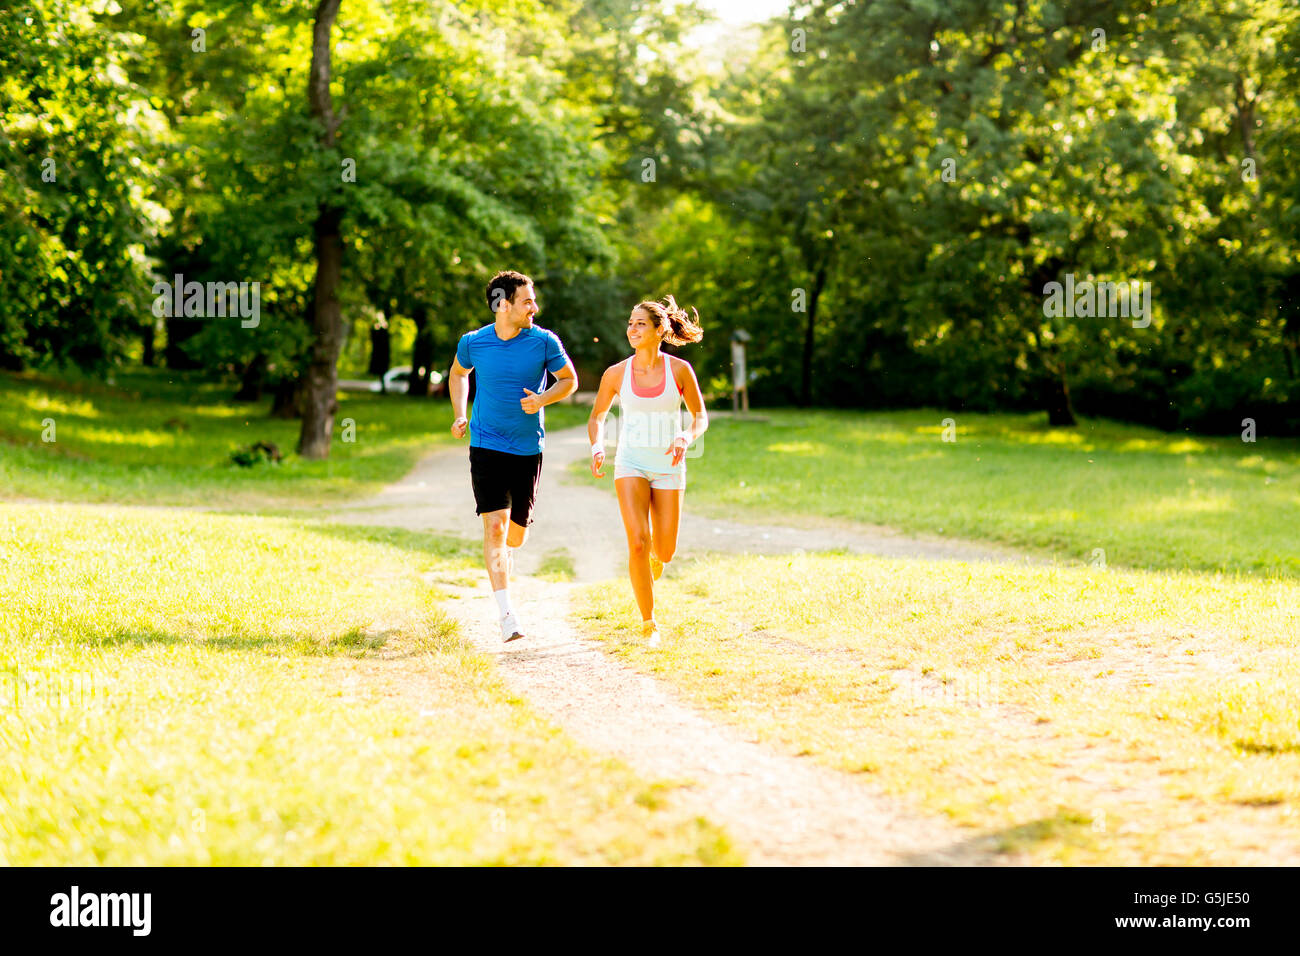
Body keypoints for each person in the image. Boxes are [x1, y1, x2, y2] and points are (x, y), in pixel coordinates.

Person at [448, 271, 578, 641]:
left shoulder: (543, 342)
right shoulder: (473, 342)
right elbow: (458, 374)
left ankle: (506, 558)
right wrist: (460, 413)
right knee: (495, 527)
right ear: (503, 305)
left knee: (515, 537)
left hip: (526, 449)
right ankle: (507, 614)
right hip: (485, 444)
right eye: (527, 301)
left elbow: (569, 380)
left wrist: (542, 399)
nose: (534, 307)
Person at [587, 295, 707, 646]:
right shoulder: (616, 373)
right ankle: (648, 622)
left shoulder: (680, 371)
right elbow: (597, 417)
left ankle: (659, 558)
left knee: (664, 551)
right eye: (630, 323)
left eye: (641, 323)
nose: (633, 329)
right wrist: (597, 446)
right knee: (638, 542)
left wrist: (686, 436)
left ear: (659, 330)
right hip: (631, 463)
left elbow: (701, 416)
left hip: (669, 466)